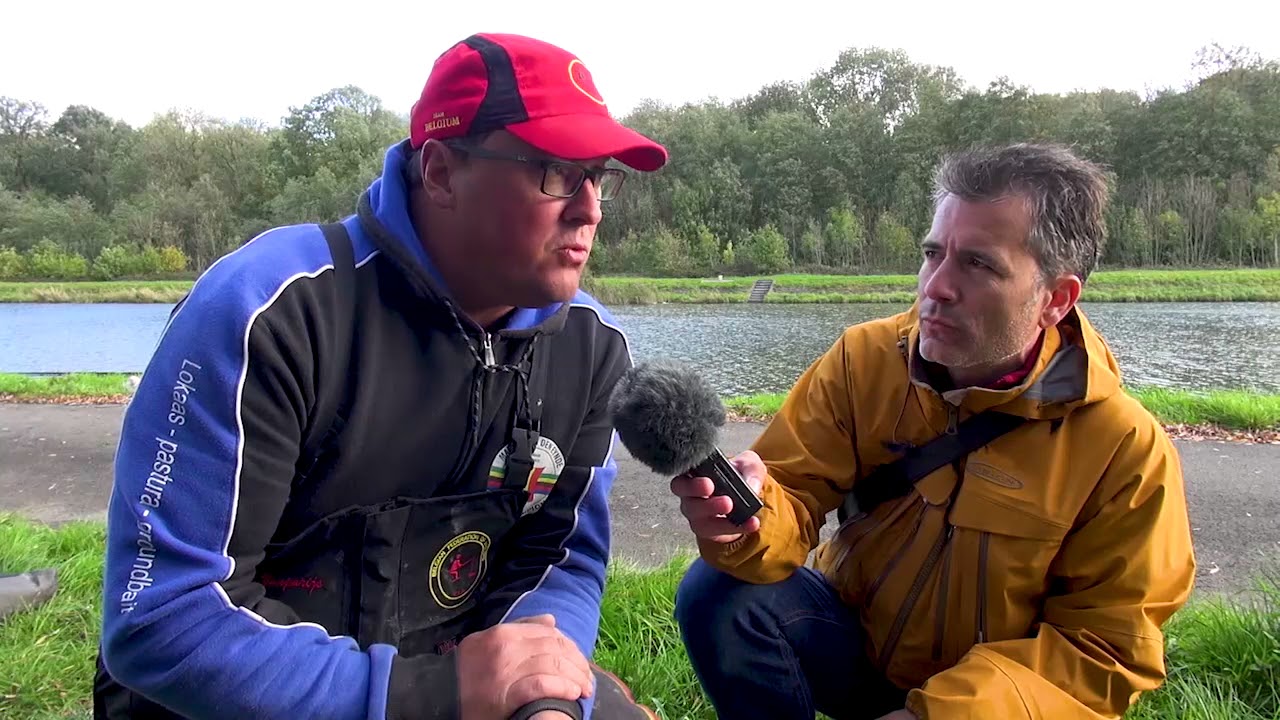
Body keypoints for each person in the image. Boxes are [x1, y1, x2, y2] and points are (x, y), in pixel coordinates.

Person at [94, 32, 667, 720]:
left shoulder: (592, 348)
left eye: (598, 176)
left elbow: (559, 562)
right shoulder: (269, 311)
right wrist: (431, 697)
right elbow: (163, 620)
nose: (590, 208)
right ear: (440, 173)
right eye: (552, 172)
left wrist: (538, 696)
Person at [671, 143, 1197, 720]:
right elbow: (792, 491)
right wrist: (746, 517)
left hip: (994, 705)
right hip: (852, 647)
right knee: (717, 592)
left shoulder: (1125, 450)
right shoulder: (863, 360)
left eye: (978, 264)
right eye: (932, 253)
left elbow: (1102, 653)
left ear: (1055, 299)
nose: (935, 287)